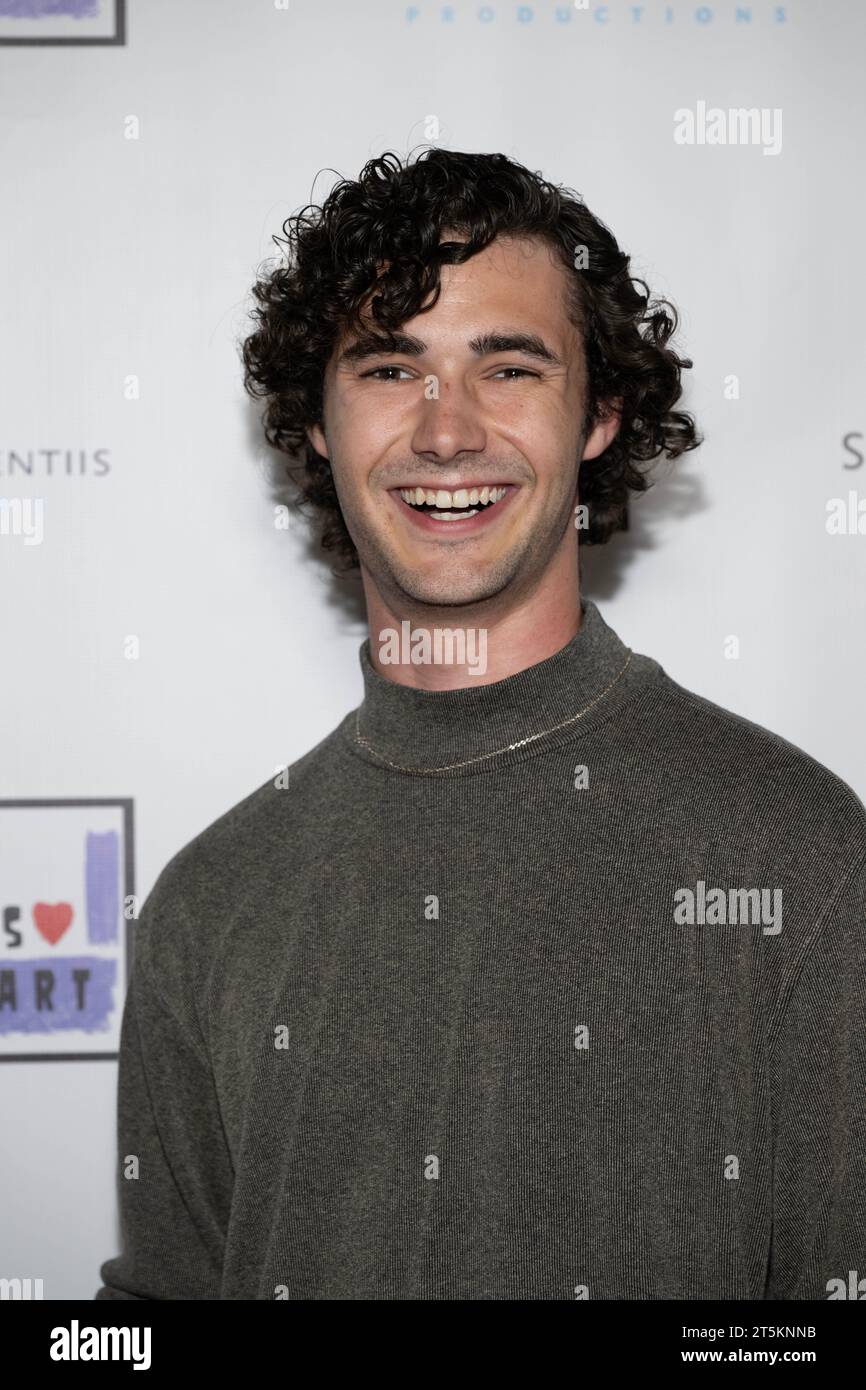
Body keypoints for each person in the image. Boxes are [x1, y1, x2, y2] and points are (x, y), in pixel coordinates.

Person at [96, 148, 866, 1300]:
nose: (444, 430)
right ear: (315, 423)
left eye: (505, 368)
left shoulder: (794, 852)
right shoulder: (209, 901)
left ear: (599, 416)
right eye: (389, 367)